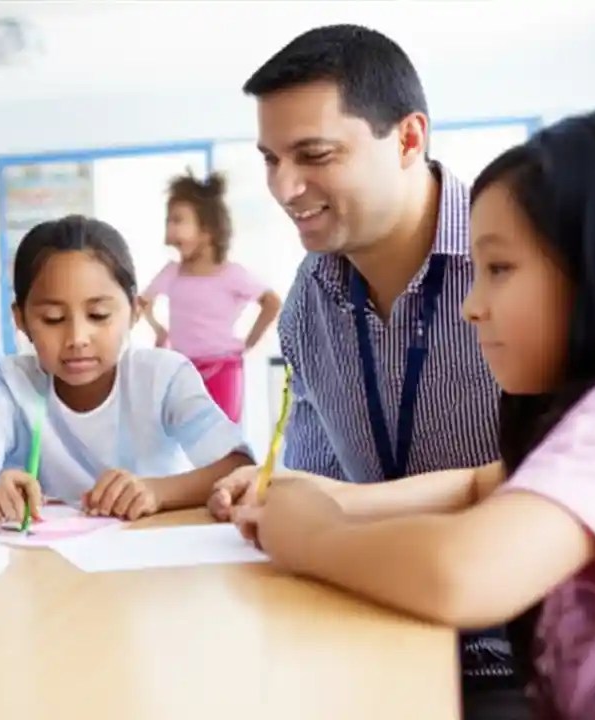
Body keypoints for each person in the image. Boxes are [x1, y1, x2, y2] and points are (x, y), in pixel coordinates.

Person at [216, 108, 595, 720]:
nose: (473, 306)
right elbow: (479, 483)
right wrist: (320, 493)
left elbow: (463, 574)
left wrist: (315, 537)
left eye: (498, 269)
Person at [216, 24, 524, 717]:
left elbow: (531, 482)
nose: (285, 187)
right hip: (364, 625)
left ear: (410, 139)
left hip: (516, 656)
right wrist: (281, 494)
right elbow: (322, 483)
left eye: (314, 155)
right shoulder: (309, 299)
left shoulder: (521, 262)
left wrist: (326, 516)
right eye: (270, 159)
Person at [0, 215, 251, 525]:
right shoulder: (15, 382)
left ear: (134, 312)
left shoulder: (162, 377)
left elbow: (238, 465)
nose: (77, 339)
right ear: (21, 321)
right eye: (53, 318)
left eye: (98, 315)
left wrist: (157, 491)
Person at [139, 171, 282, 423]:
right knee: (185, 434)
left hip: (222, 369)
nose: (170, 229)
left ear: (207, 231)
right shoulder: (171, 273)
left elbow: (271, 302)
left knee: (223, 438)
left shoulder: (232, 275)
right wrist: (159, 331)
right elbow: (141, 303)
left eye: (178, 220)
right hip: (183, 370)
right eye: (168, 221)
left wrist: (247, 344)